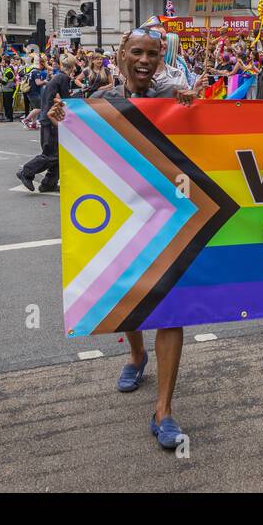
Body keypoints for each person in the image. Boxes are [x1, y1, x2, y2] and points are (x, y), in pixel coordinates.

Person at [47, 26, 198, 450]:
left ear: (162, 59)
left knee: (171, 308)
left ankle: (164, 410)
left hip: (171, 216)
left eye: (154, 53)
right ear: (121, 54)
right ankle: (136, 355)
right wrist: (60, 118)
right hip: (120, 220)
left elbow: (205, 143)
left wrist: (193, 108)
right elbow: (67, 142)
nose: (145, 60)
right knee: (127, 298)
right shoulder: (98, 103)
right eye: (138, 52)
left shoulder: (173, 101)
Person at [18, 54, 77, 193]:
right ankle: (26, 172)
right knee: (52, 153)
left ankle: (49, 183)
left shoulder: (58, 77)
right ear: (73, 66)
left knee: (58, 153)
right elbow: (66, 100)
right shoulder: (63, 78)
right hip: (51, 118)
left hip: (47, 116)